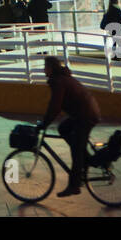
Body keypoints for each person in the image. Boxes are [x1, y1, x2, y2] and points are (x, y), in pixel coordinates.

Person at [39, 55, 101, 197]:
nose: (43, 70)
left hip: (86, 116)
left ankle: (74, 185)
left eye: (45, 67)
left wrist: (44, 123)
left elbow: (54, 106)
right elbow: (56, 105)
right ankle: (85, 160)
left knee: (76, 150)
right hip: (84, 113)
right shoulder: (60, 79)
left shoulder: (58, 81)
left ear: (51, 68)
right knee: (63, 128)